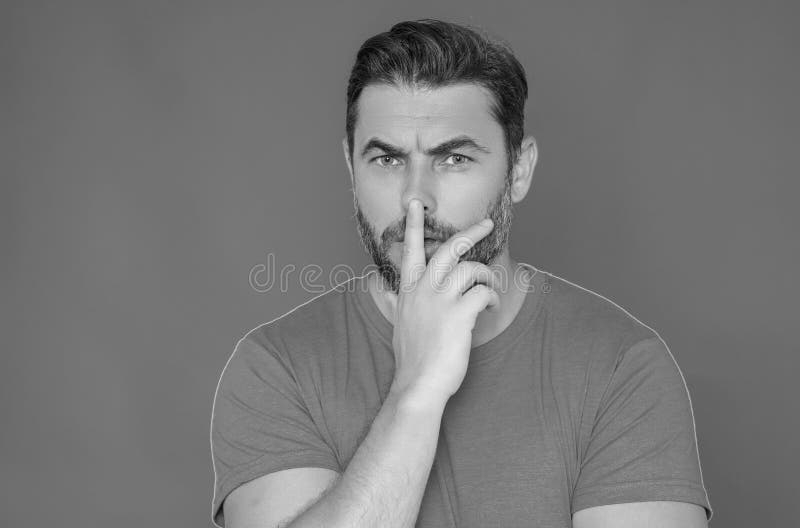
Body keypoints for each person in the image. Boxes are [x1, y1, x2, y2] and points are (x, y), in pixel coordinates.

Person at [210, 18, 712, 528]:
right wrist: (416, 391)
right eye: (386, 158)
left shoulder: (622, 368)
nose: (415, 197)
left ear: (518, 171)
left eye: (453, 157)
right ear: (350, 167)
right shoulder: (276, 368)